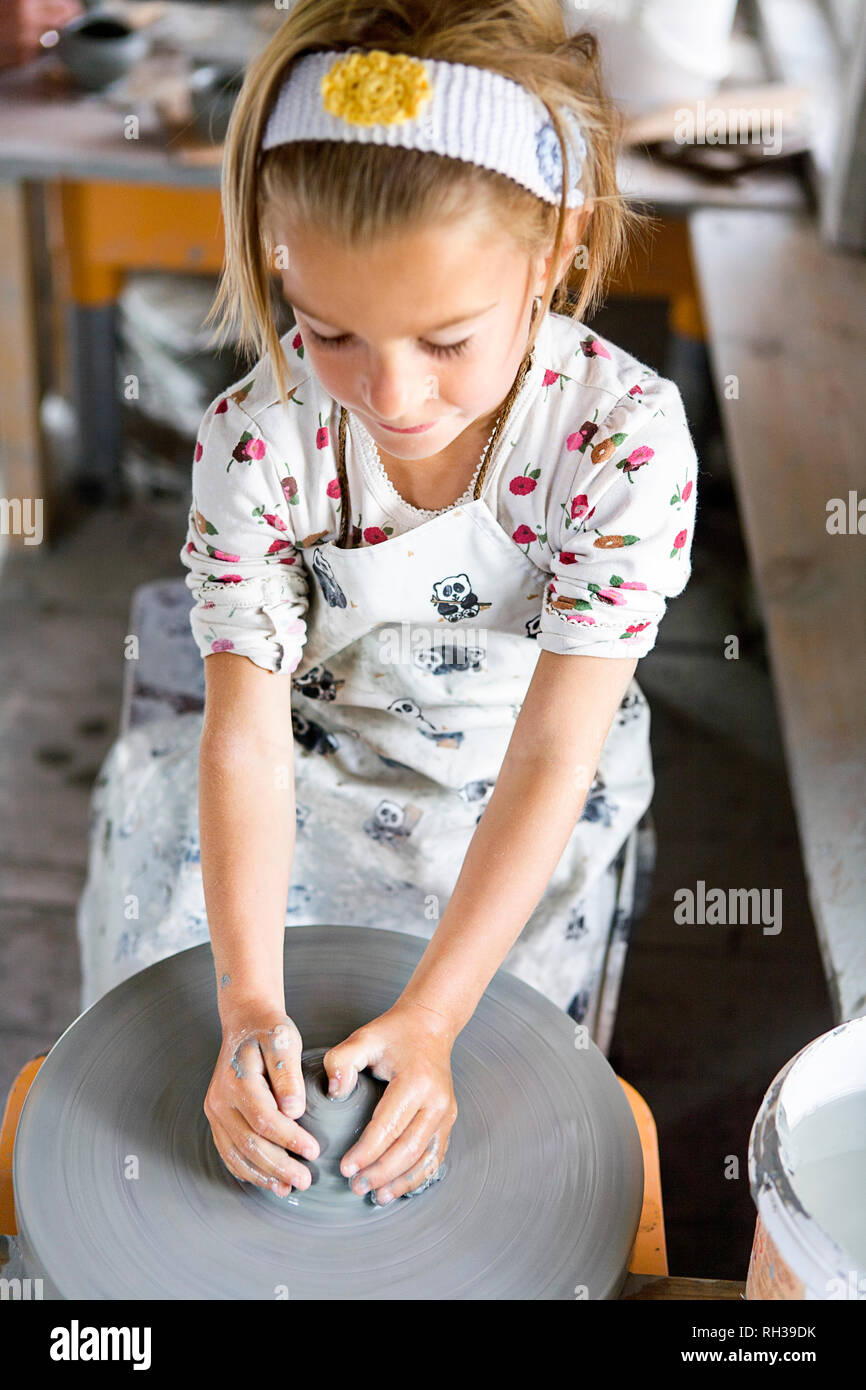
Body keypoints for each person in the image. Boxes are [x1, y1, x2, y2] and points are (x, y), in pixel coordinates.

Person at [78, 0, 698, 1210]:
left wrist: (434, 1014)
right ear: (275, 255)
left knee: (490, 1102)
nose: (392, 393)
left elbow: (554, 750)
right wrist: (248, 1003)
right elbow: (245, 734)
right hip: (314, 753)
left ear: (557, 246)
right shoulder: (260, 440)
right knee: (165, 1004)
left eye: (447, 340)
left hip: (516, 782)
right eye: (331, 332)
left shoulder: (620, 443)